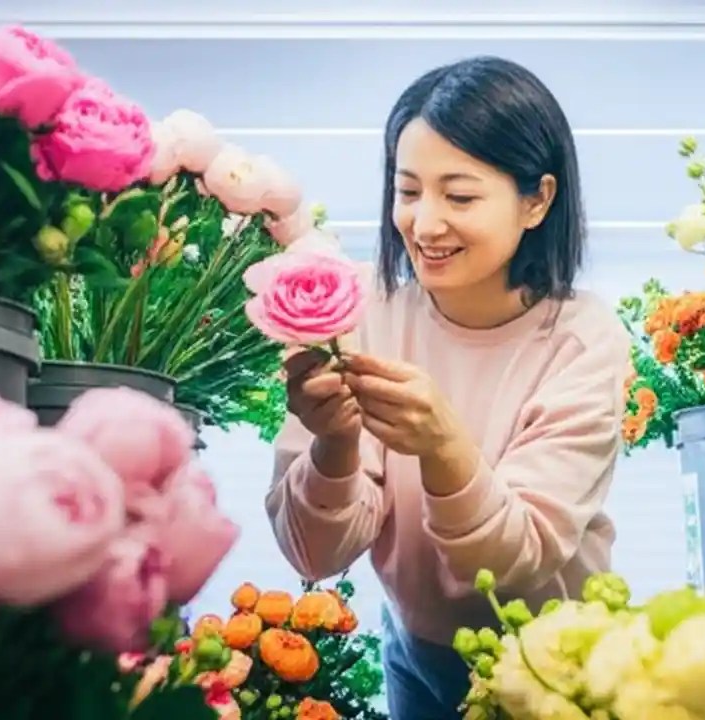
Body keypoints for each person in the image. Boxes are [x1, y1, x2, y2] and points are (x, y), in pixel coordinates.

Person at [264, 55, 630, 719]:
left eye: (459, 196)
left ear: (538, 199)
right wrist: (334, 447)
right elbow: (312, 554)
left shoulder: (581, 339)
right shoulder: (364, 319)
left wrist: (444, 447)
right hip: (415, 648)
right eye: (408, 192)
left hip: (554, 663)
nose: (424, 224)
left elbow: (516, 559)